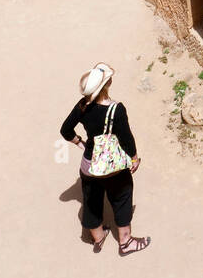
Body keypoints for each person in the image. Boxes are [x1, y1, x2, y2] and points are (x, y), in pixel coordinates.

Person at [60, 63, 150, 256]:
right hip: (112, 167)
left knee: (91, 200)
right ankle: (125, 242)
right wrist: (134, 159)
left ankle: (98, 237)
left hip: (89, 165)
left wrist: (81, 144)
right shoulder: (116, 109)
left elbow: (65, 130)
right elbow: (126, 138)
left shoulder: (82, 105)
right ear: (107, 85)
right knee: (122, 196)